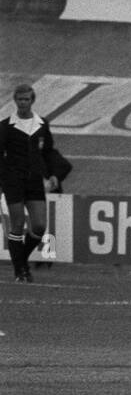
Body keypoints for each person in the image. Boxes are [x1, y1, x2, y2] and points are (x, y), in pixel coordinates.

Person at [0, 84, 50, 282]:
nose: (23, 103)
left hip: (34, 181)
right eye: (20, 99)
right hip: (13, 180)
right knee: (17, 224)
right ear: (15, 101)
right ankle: (20, 271)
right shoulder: (5, 126)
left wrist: (52, 174)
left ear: (32, 100)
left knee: (39, 226)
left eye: (26, 99)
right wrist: (4, 177)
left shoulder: (42, 124)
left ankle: (21, 261)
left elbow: (47, 152)